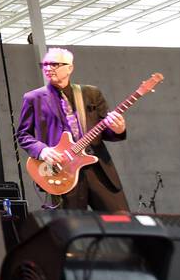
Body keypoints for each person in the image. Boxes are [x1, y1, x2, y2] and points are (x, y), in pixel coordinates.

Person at [16, 46, 128, 212]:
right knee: (72, 227)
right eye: (45, 64)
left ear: (69, 68)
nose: (48, 68)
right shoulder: (34, 98)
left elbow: (105, 130)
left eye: (54, 64)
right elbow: (23, 135)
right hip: (63, 170)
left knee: (122, 221)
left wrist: (118, 129)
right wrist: (42, 151)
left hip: (97, 168)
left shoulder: (91, 93)